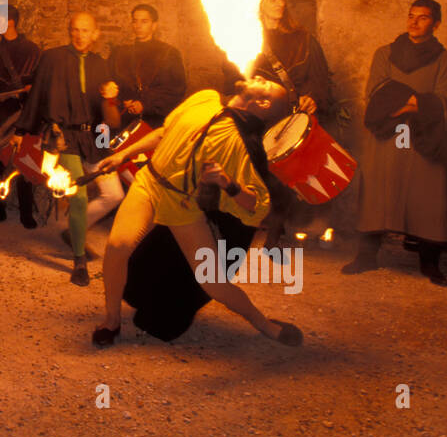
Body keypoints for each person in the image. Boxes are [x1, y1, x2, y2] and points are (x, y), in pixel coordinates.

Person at [91, 78, 302, 348]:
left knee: (212, 281)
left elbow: (257, 204)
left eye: (267, 84)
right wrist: (124, 155)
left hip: (181, 205)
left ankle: (265, 325)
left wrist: (228, 183)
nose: (259, 77)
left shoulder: (239, 144)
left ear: (263, 102)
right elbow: (165, 132)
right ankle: (111, 320)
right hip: (149, 183)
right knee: (117, 245)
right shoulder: (206, 96)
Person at [344, 0, 447, 286]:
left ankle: (430, 264)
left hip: (423, 138)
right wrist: (413, 101)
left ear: (436, 23)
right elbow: (376, 91)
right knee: (377, 194)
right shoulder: (385, 53)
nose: (414, 21)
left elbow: (444, 98)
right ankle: (366, 257)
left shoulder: (446, 60)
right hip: (387, 136)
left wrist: (407, 104)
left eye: (423, 17)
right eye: (411, 15)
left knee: (428, 198)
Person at [12, 12, 123, 286]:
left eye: (85, 30)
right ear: (69, 31)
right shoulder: (53, 58)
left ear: (95, 33)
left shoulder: (101, 65)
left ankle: (73, 230)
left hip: (95, 137)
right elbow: (36, 95)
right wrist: (20, 130)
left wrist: (111, 99)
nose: (79, 35)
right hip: (65, 136)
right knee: (79, 196)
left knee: (114, 194)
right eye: (75, 29)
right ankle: (79, 260)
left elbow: (109, 117)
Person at [250, 0, 333, 244]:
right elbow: (235, 77)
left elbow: (319, 77)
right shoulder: (245, 36)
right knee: (262, 174)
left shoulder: (302, 39)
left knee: (288, 177)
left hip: (293, 116)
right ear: (259, 2)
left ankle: (278, 234)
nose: (279, 2)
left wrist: (313, 97)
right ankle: (262, 227)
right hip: (260, 117)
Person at [0, 4, 41, 228]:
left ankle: (26, 213)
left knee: (23, 161)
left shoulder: (33, 51)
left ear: (10, 22)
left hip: (22, 111)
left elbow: (39, 83)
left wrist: (31, 91)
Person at [108, 3, 186, 128]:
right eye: (135, 21)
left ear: (154, 25)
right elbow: (112, 84)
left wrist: (145, 104)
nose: (138, 26)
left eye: (144, 21)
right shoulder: (120, 53)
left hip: (156, 123)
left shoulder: (169, 53)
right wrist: (123, 100)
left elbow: (176, 90)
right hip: (126, 122)